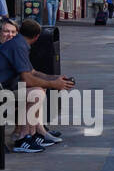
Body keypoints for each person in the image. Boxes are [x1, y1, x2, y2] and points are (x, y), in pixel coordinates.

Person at [1, 18, 76, 153]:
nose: (10, 34)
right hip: (3, 91)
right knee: (36, 93)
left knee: (40, 88)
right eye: (6, 31)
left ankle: (36, 132)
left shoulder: (18, 44)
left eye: (13, 31)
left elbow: (32, 72)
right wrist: (54, 83)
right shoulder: (18, 46)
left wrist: (54, 78)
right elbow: (28, 79)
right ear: (36, 37)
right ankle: (22, 138)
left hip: (6, 88)